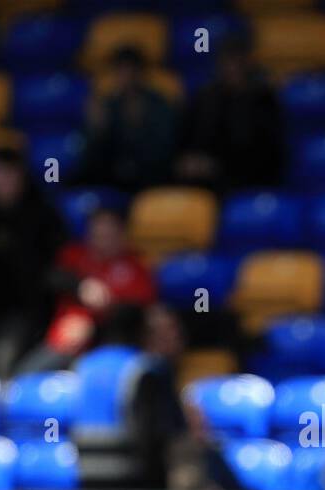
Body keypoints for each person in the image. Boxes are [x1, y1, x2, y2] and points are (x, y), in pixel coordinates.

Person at [0, 145, 67, 379]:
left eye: (9, 174)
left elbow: (53, 266)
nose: (2, 181)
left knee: (4, 361)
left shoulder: (42, 212)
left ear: (21, 176)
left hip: (26, 308)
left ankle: (2, 416)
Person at [17, 206, 159, 374]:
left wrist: (95, 322)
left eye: (109, 236)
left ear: (122, 235)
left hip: (105, 348)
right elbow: (49, 278)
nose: (103, 242)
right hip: (61, 342)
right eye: (98, 235)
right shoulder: (74, 256)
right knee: (22, 380)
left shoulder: (135, 267)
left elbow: (141, 308)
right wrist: (81, 286)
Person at [175, 33, 284, 194]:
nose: (232, 68)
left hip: (251, 180)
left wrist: (218, 166)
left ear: (247, 64)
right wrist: (190, 160)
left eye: (238, 62)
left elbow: (268, 153)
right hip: (205, 182)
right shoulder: (206, 97)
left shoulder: (264, 98)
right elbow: (188, 140)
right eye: (228, 62)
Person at [75, 46, 179, 194]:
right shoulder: (108, 105)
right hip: (113, 178)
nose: (126, 76)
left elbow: (165, 149)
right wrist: (96, 130)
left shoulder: (159, 105)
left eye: (130, 70)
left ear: (141, 73)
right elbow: (92, 157)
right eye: (120, 70)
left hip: (152, 176)